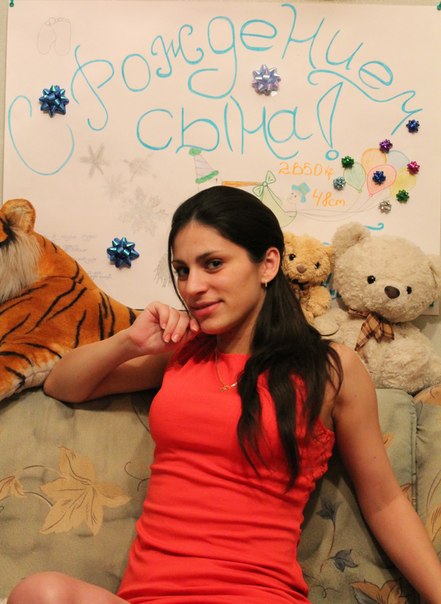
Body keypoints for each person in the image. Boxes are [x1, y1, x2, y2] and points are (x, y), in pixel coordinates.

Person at [7, 185, 441, 604]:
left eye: (212, 264)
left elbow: (384, 502)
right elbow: (63, 384)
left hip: (256, 595)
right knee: (39, 593)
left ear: (267, 264)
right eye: (182, 270)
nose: (192, 286)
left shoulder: (330, 369)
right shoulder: (182, 351)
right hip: (149, 597)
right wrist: (130, 342)